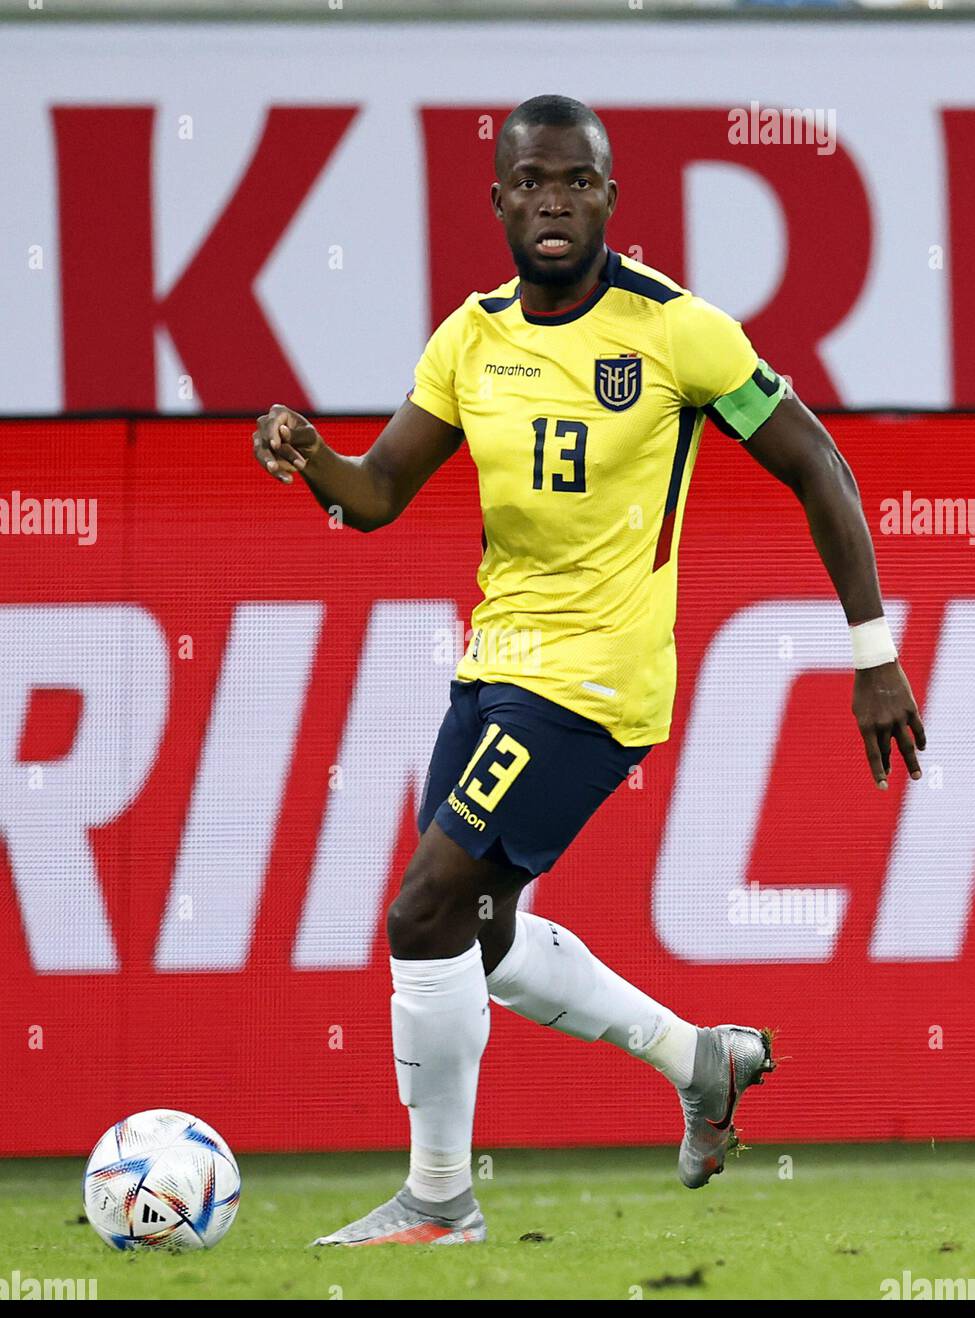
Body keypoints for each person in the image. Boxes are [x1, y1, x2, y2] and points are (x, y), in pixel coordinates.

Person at [253, 95, 925, 1247]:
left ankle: (438, 1197)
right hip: (493, 667)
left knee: (423, 914)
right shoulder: (469, 338)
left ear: (611, 199)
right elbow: (375, 500)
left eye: (575, 181)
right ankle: (697, 1058)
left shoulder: (678, 331)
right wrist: (313, 454)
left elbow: (820, 463)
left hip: (598, 682)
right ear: (501, 198)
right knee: (485, 933)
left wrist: (874, 655)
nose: (553, 200)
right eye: (531, 181)